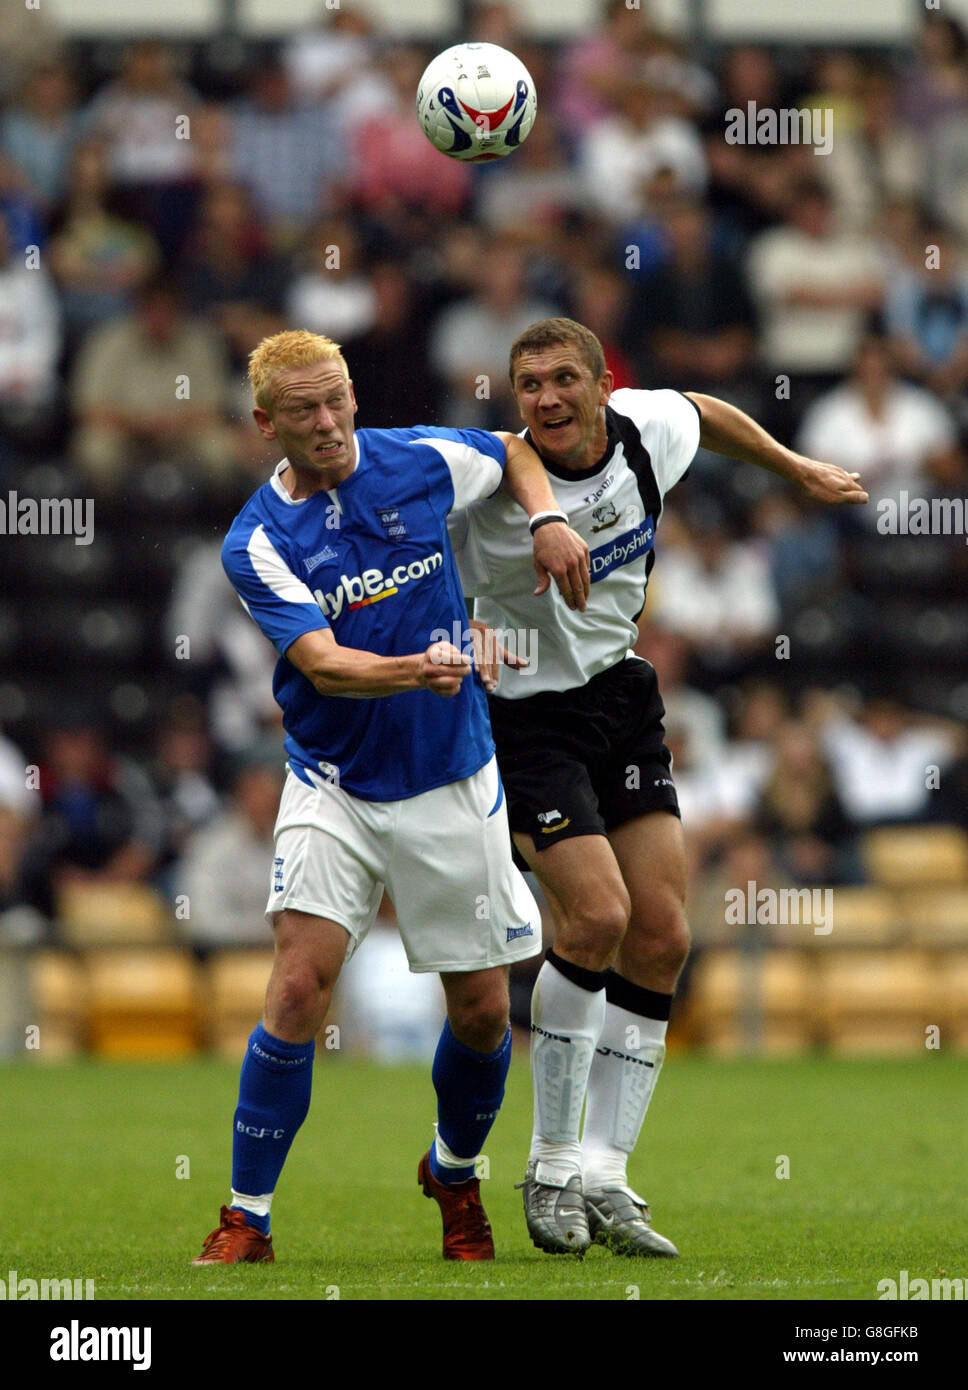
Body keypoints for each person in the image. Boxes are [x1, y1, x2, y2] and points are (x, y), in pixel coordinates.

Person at [447, 316, 867, 1256]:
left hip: (621, 697)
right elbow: (405, 532)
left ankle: (607, 1174)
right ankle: (549, 1167)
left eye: (563, 380)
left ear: (603, 387)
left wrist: (794, 469)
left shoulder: (642, 432)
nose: (546, 399)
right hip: (524, 718)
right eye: (528, 385)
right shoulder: (489, 477)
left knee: (665, 932)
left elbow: (707, 412)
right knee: (594, 918)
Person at [192, 328, 590, 1265]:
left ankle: (453, 1174)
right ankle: (247, 1217)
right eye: (302, 410)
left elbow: (515, 451)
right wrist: (416, 667)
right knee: (297, 986)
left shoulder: (415, 460)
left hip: (451, 773)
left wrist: (545, 519)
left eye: (336, 399)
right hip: (333, 780)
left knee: (486, 1013)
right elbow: (323, 665)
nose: (327, 422)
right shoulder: (255, 542)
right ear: (265, 424)